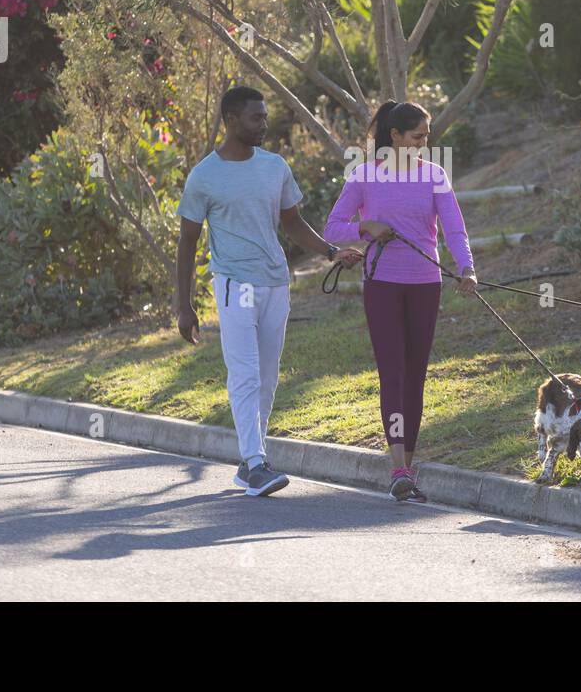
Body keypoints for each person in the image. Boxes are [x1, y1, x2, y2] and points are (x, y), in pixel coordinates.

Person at [177, 86, 362, 496]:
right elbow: (188, 240)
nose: (263, 123)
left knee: (266, 376)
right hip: (233, 283)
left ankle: (249, 462)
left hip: (276, 282)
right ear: (230, 121)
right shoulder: (204, 176)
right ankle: (258, 464)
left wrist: (332, 252)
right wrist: (184, 304)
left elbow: (293, 222)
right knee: (243, 372)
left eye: (264, 116)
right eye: (255, 118)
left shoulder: (275, 166)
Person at [324, 101, 476, 502]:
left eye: (426, 138)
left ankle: (409, 464)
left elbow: (455, 230)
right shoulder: (364, 176)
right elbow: (333, 226)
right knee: (392, 374)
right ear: (395, 137)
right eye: (417, 137)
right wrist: (367, 227)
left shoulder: (435, 176)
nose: (424, 145)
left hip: (426, 284)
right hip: (383, 286)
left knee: (416, 374)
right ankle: (398, 468)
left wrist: (467, 268)